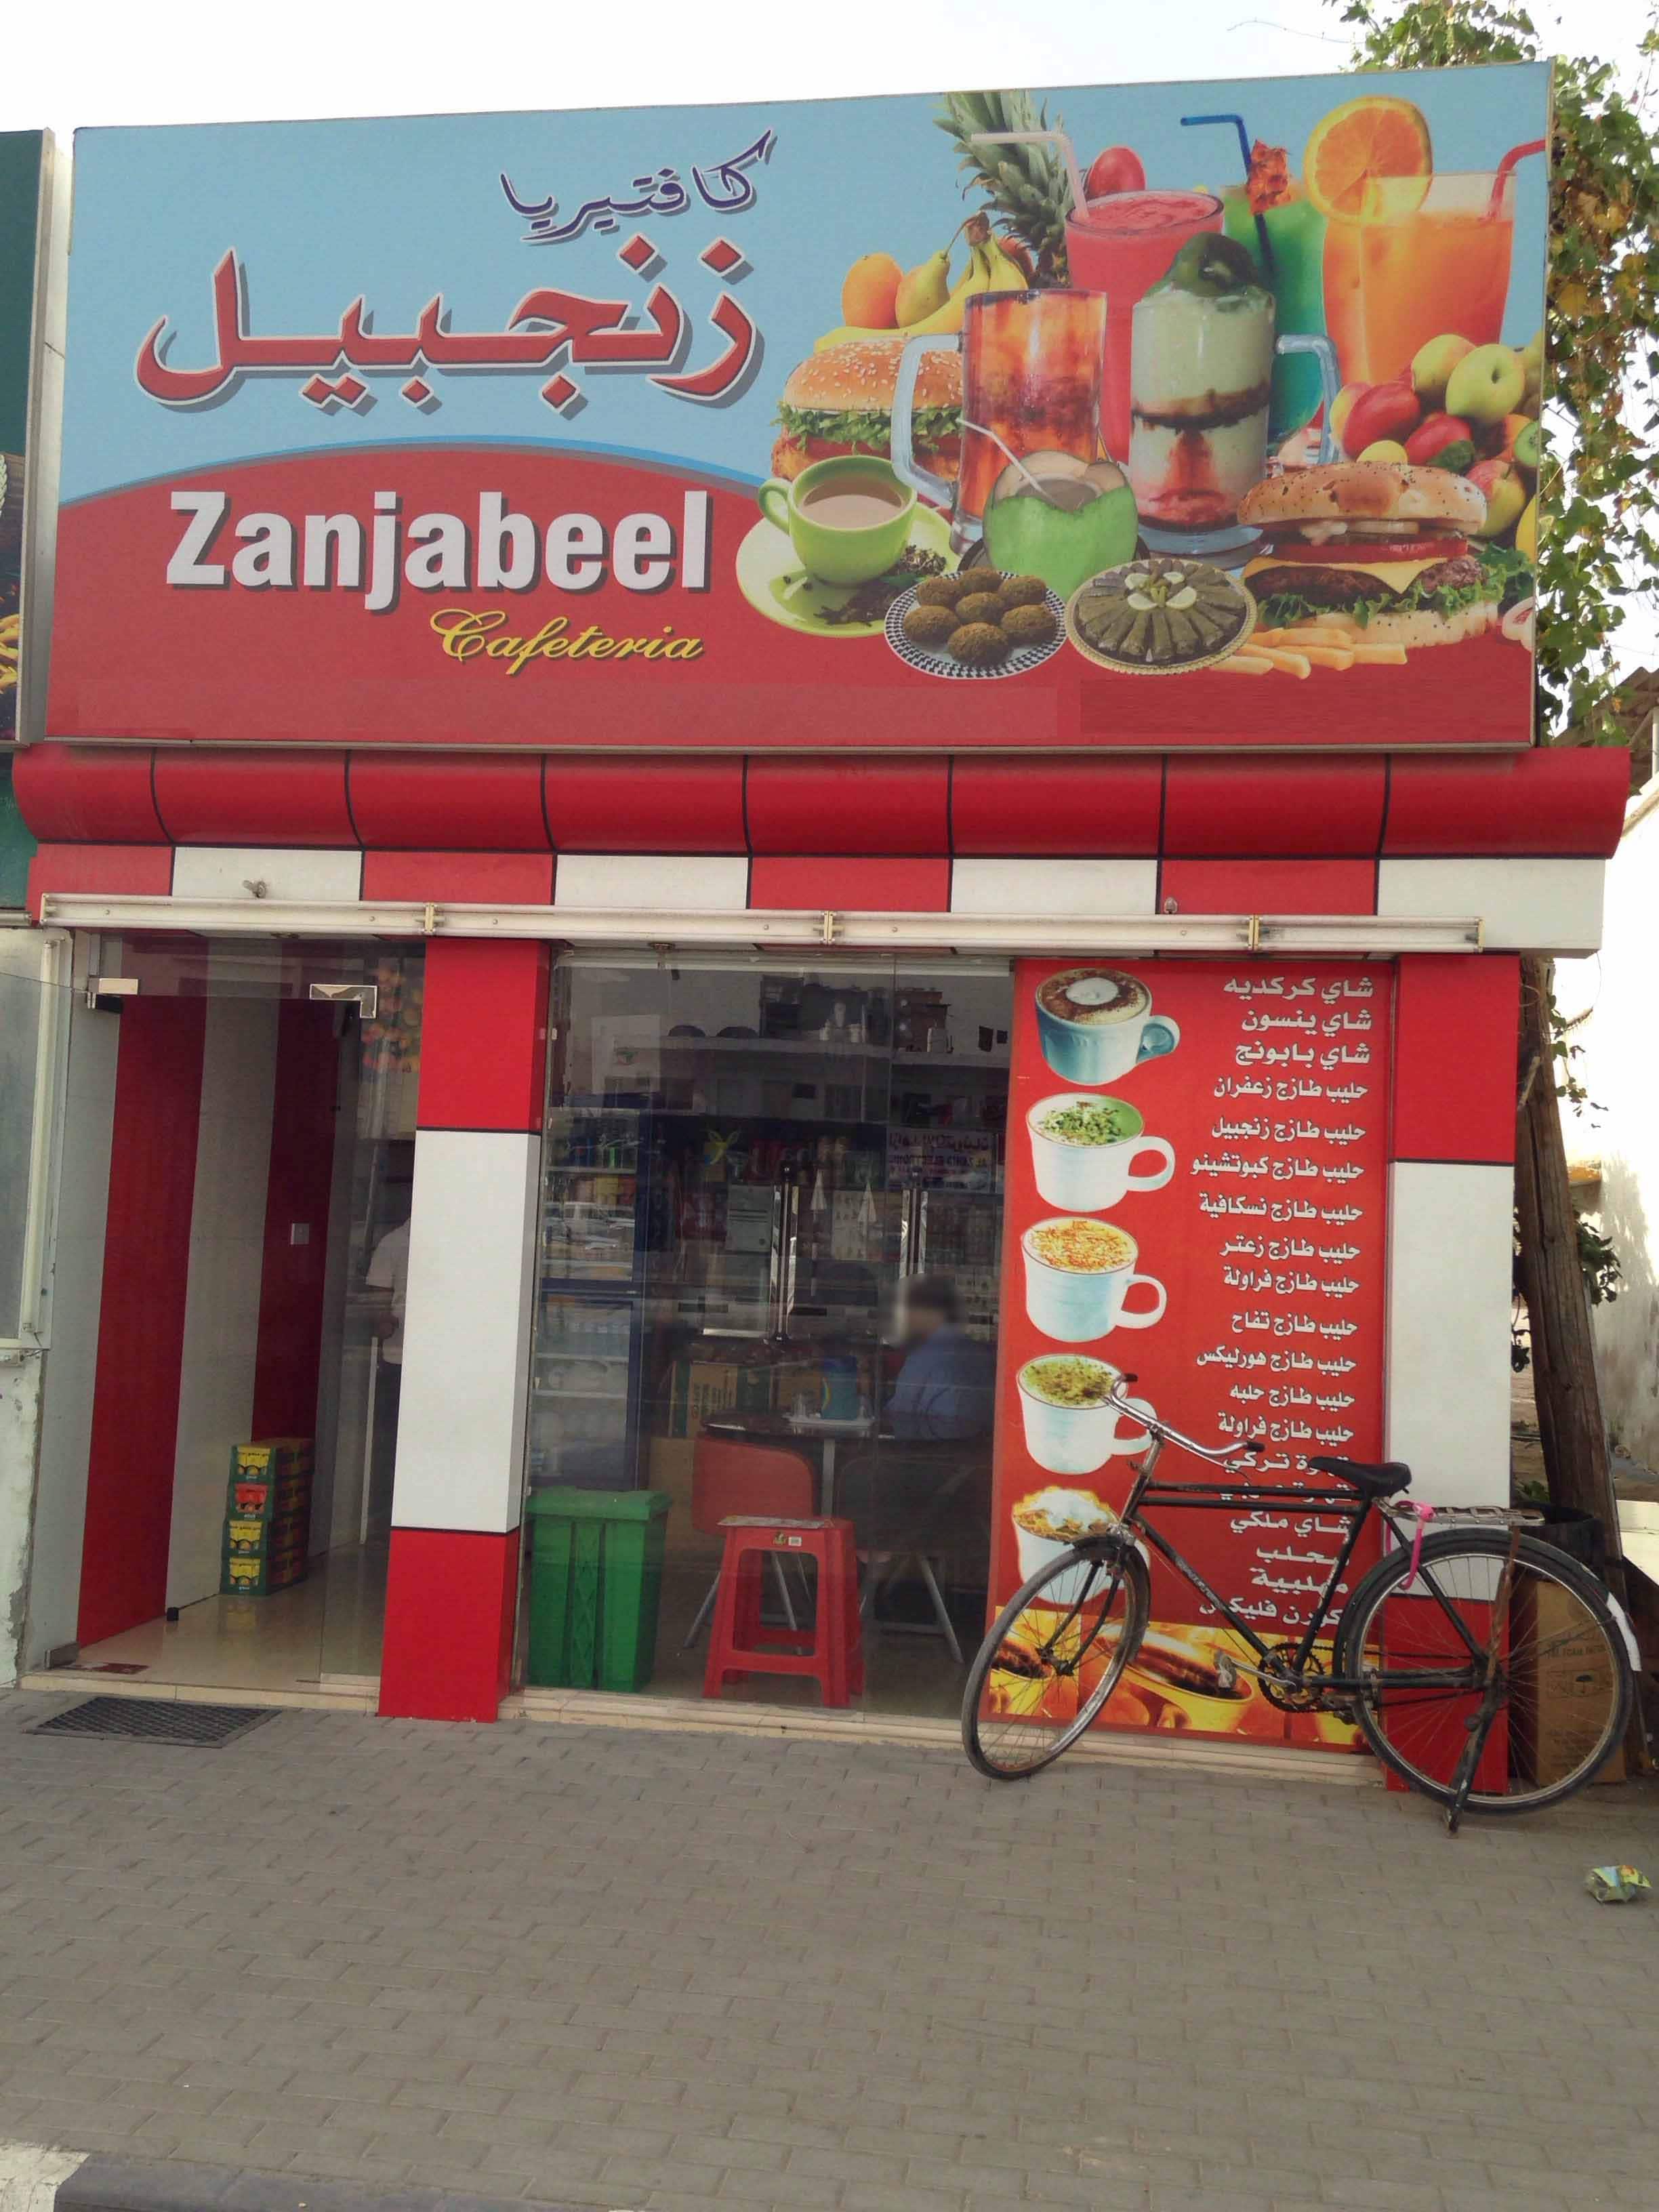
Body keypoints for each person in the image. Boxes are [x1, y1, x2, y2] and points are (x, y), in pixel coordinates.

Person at [886, 1275, 997, 1442]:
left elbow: (900, 1417)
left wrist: (865, 1394)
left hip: (937, 1456)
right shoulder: (983, 1353)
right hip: (979, 1455)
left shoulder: (923, 1357)